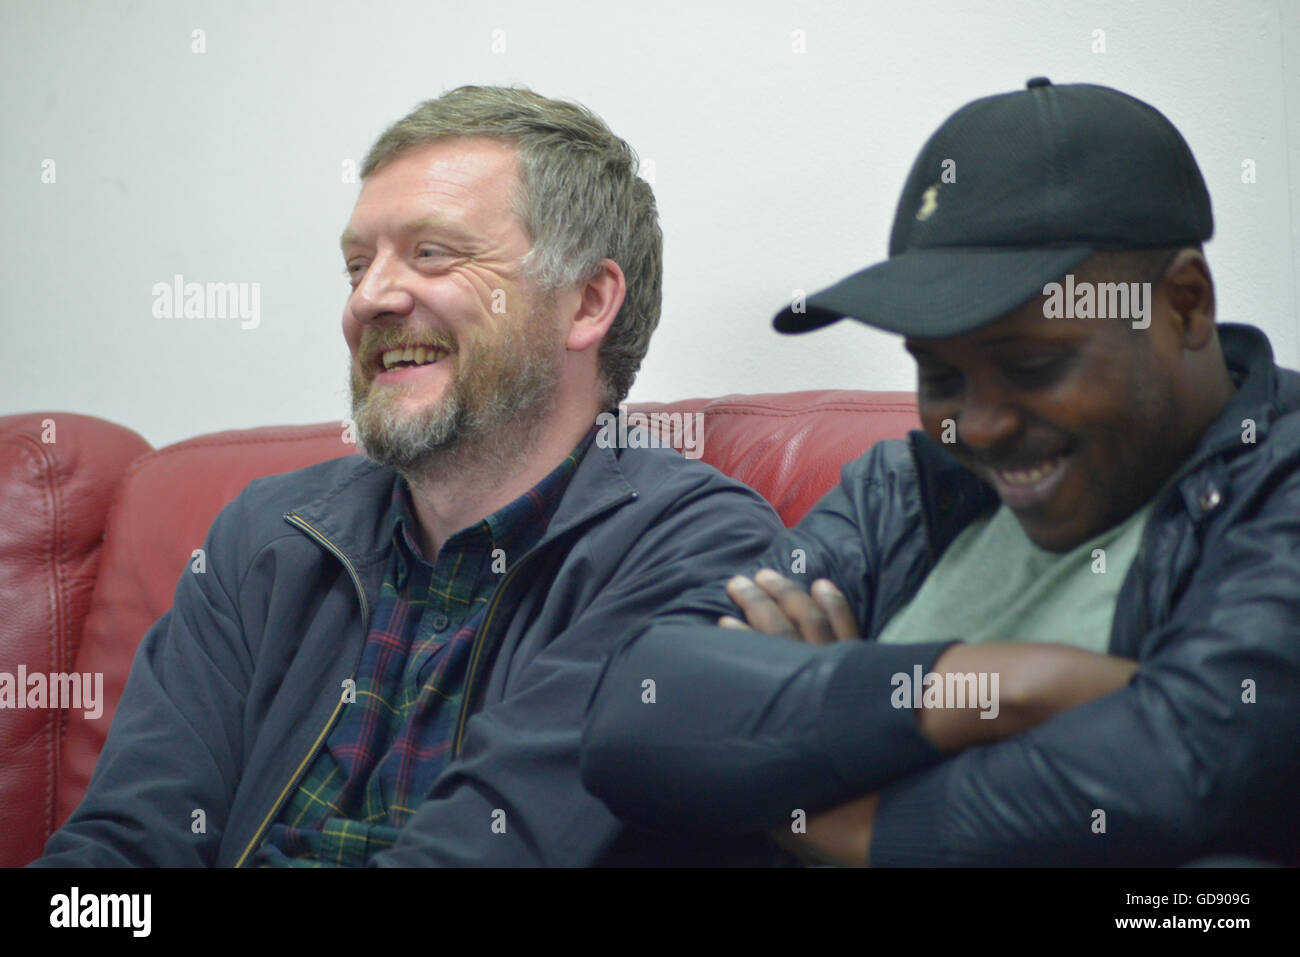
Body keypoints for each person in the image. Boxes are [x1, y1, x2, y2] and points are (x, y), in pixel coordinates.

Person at [34, 86, 789, 867]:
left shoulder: (695, 548)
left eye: (432, 253)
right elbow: (120, 847)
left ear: (587, 303)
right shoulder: (265, 535)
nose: (367, 299)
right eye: (357, 265)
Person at [581, 78, 1300, 866]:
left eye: (1032, 365)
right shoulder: (903, 492)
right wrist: (1006, 684)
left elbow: (1192, 763)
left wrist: (847, 819)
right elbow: (635, 709)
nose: (980, 425)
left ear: (1186, 305)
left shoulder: (1278, 481)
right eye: (941, 378)